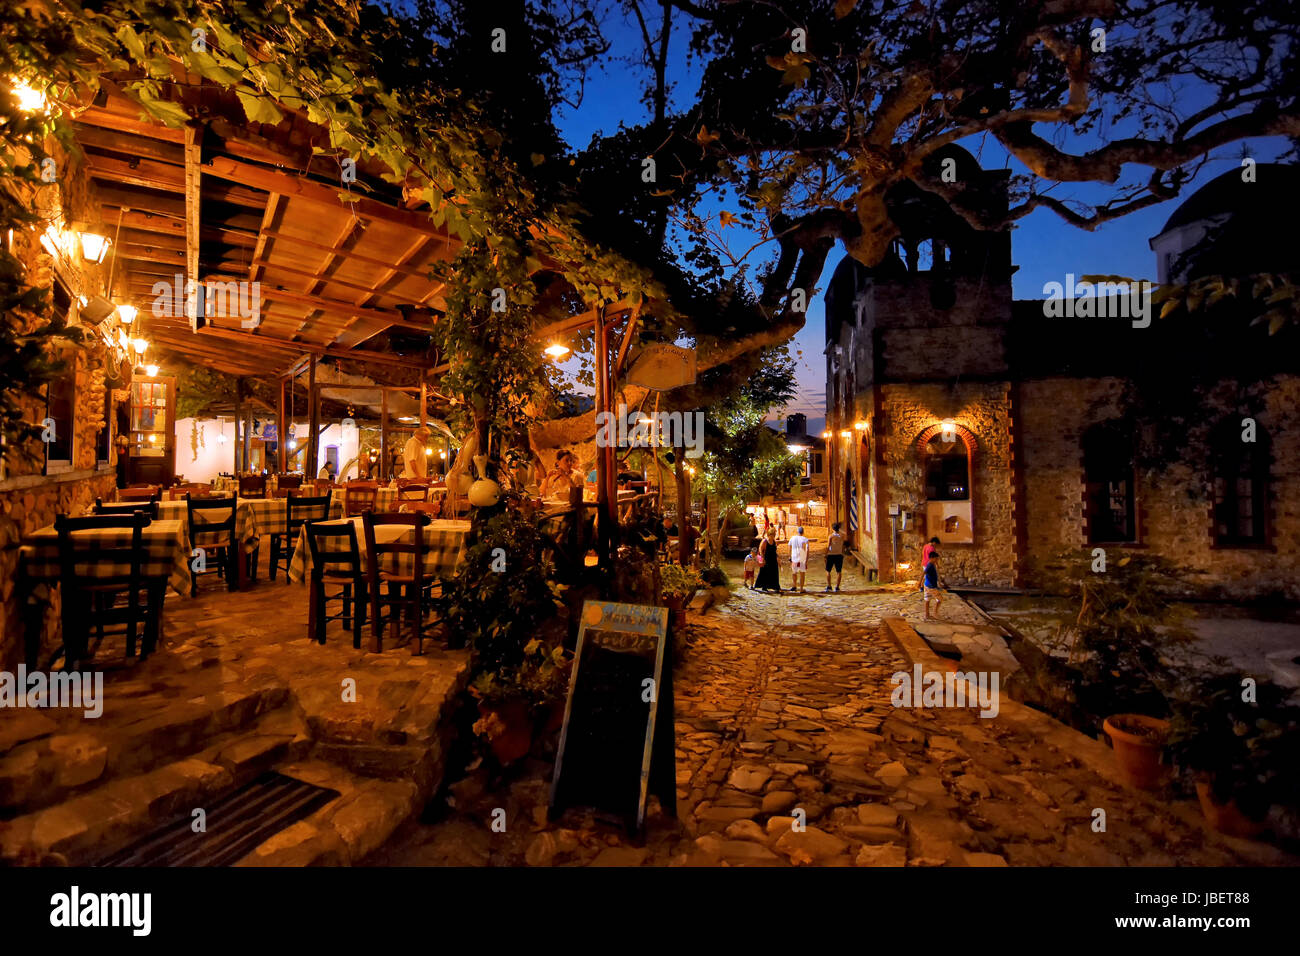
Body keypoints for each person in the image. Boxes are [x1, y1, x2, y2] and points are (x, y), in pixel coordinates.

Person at [754, 528, 781, 593]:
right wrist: (762, 558)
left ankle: (775, 586)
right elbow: (760, 549)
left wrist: (778, 558)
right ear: (768, 535)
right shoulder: (765, 541)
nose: (772, 536)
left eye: (773, 535)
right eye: (771, 535)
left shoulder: (774, 542)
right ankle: (764, 586)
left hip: (773, 559)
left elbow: (775, 551)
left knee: (774, 573)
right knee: (765, 572)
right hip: (766, 559)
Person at [922, 548, 944, 621]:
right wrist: (919, 583)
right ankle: (935, 613)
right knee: (940, 599)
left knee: (927, 600)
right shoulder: (930, 566)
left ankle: (927, 615)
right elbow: (923, 573)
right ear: (932, 558)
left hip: (927, 585)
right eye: (936, 559)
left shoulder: (931, 564)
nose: (937, 560)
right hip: (931, 587)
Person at [788, 525, 810, 592]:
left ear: (797, 532)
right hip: (802, 557)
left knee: (794, 572)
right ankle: (801, 588)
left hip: (794, 557)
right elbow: (807, 549)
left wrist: (790, 556)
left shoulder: (792, 538)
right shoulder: (805, 539)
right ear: (803, 532)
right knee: (802, 574)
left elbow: (789, 547)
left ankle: (794, 586)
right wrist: (806, 559)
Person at [825, 521, 845, 592]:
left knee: (828, 571)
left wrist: (825, 554)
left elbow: (828, 546)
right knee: (839, 571)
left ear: (832, 529)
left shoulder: (831, 536)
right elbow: (842, 545)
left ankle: (829, 586)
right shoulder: (842, 536)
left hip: (831, 554)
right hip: (839, 554)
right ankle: (837, 587)